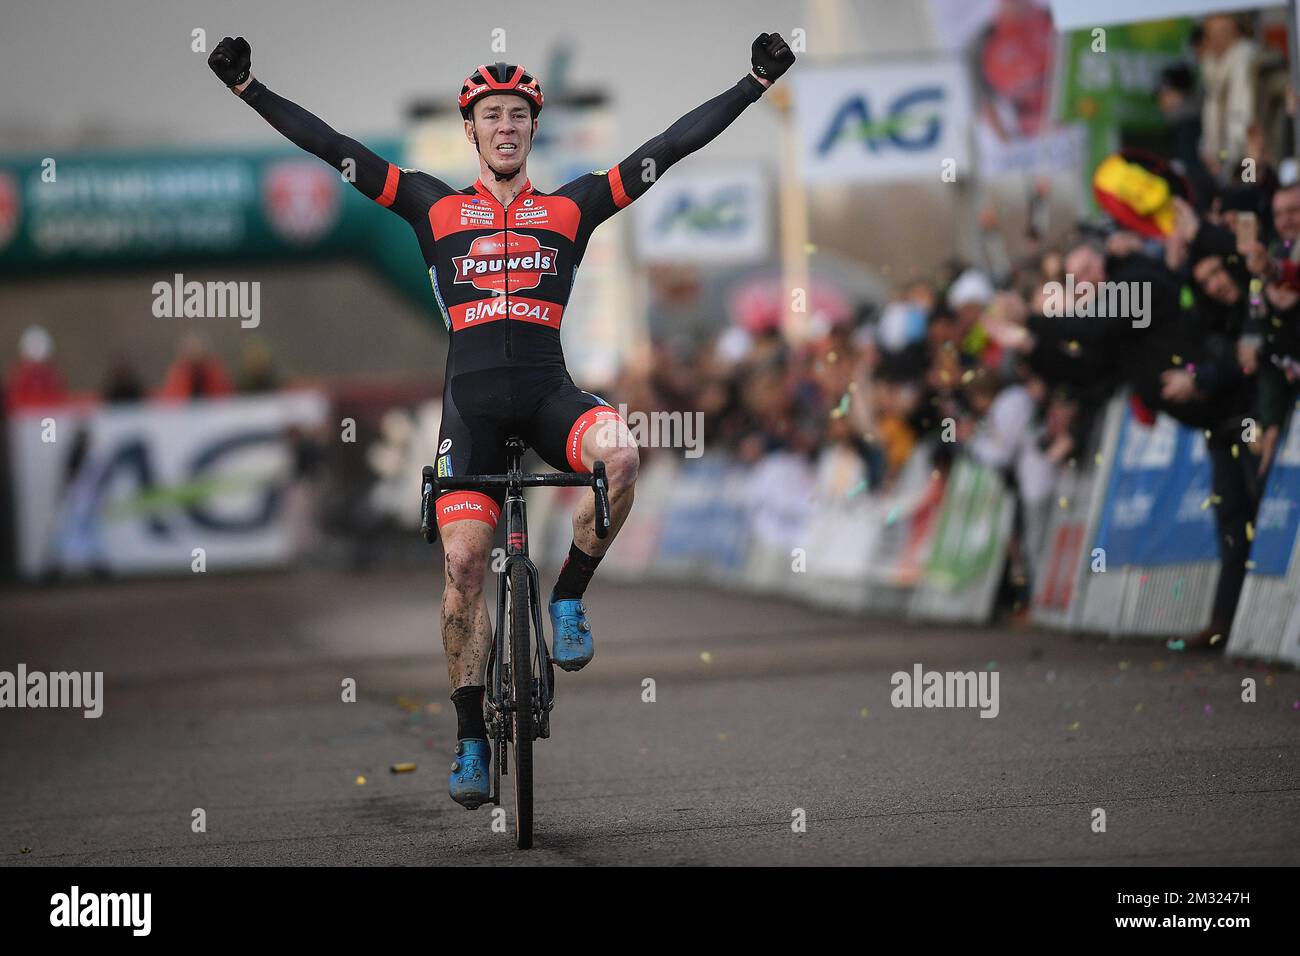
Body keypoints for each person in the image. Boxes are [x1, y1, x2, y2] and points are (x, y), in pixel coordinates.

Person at [208, 32, 796, 809]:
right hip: (472, 411)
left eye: (518, 113)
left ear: (532, 127)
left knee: (620, 453)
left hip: (550, 396)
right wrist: (249, 87)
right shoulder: (431, 205)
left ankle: (567, 598)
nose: (506, 126)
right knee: (462, 567)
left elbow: (669, 148)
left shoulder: (572, 206)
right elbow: (334, 148)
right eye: (492, 114)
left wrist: (754, 82)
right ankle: (471, 741)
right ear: (473, 130)